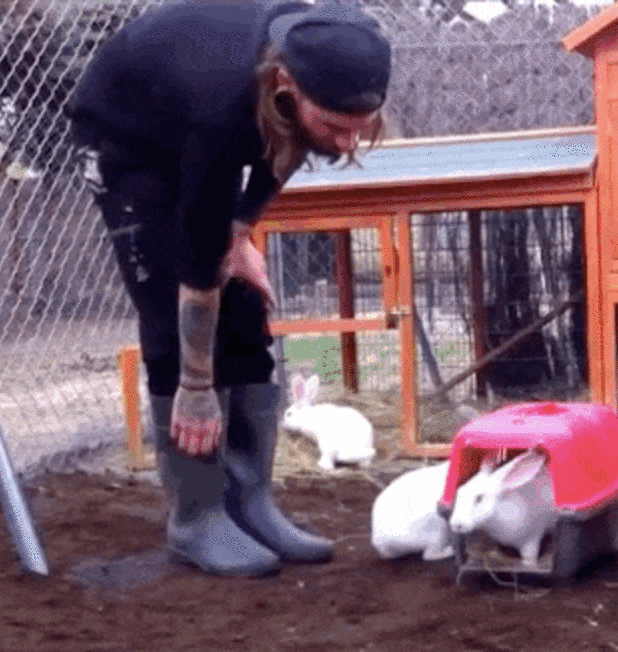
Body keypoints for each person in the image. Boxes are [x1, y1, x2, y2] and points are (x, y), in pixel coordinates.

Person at [67, 0, 391, 577]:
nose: (347, 144)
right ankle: (196, 518)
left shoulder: (337, 55)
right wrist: (195, 385)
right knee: (172, 304)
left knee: (243, 300)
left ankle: (250, 503)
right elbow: (197, 267)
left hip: (196, 114)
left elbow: (288, 147)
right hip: (126, 138)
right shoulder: (221, 109)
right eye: (335, 127)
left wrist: (240, 233)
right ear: (284, 84)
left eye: (360, 127)